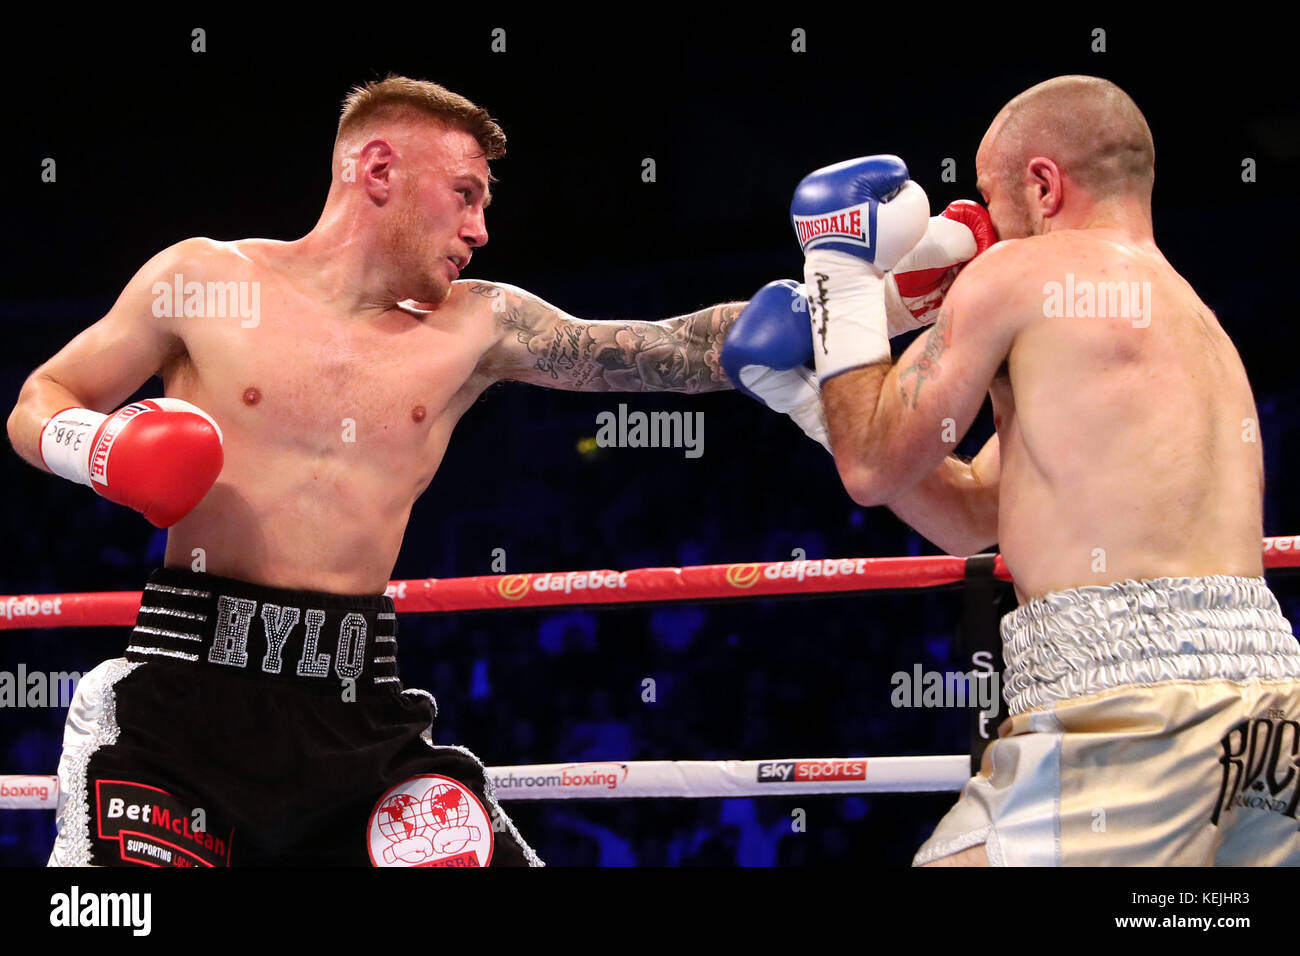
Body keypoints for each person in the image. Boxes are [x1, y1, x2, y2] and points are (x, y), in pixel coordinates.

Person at [6, 75, 824, 867]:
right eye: (465, 194)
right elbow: (41, 399)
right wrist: (104, 449)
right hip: (183, 704)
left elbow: (664, 350)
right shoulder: (204, 281)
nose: (480, 230)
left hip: (358, 714)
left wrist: (860, 302)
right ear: (379, 170)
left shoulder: (477, 325)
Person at [748, 75, 1300, 865]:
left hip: (1132, 710)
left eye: (986, 194)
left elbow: (871, 467)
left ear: (1042, 184)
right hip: (1273, 715)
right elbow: (975, 515)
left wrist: (839, 265)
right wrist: (806, 402)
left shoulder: (1020, 275)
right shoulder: (1194, 320)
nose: (976, 224)